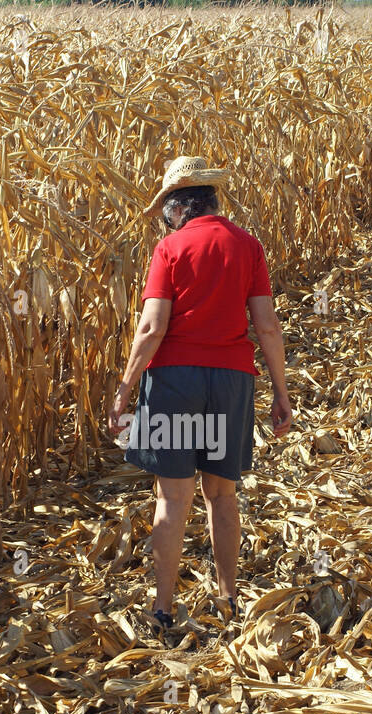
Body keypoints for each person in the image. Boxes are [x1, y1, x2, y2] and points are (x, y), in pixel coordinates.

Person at [107, 156, 292, 642]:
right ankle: (228, 600)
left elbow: (151, 327)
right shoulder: (247, 245)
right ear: (213, 200)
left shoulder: (170, 249)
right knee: (222, 494)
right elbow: (266, 325)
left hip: (175, 383)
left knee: (172, 497)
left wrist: (125, 389)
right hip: (231, 382)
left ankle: (163, 610)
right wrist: (281, 391)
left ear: (175, 207)